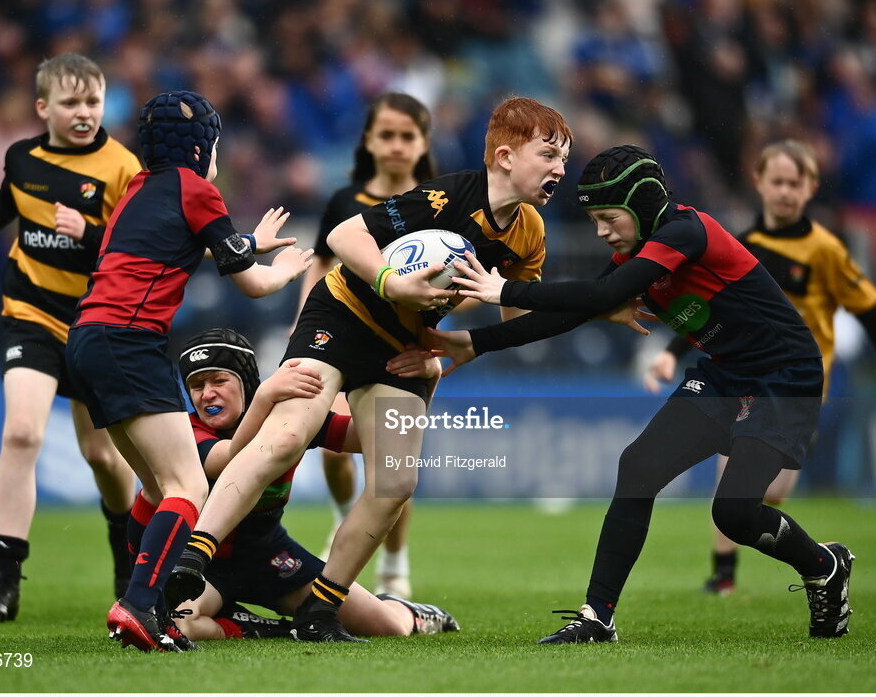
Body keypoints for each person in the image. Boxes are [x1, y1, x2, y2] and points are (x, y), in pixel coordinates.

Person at [167, 97, 575, 643]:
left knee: (397, 482)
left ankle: (319, 610)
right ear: (504, 156)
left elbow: (517, 319)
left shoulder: (530, 233)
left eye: (563, 159)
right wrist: (392, 281)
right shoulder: (444, 195)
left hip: (402, 348)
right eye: (548, 154)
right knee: (288, 436)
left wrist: (464, 342)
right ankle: (193, 558)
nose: (560, 169)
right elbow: (341, 237)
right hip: (341, 315)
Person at [433, 144, 862, 642]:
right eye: (593, 219)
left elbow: (598, 297)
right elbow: (570, 314)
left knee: (735, 513)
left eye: (609, 217)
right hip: (726, 374)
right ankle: (598, 619)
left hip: (784, 376)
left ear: (642, 202)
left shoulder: (685, 230)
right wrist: (475, 343)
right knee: (638, 467)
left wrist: (503, 289)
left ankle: (824, 565)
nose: (601, 231)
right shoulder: (633, 255)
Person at [65, 90, 312, 653]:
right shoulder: (198, 188)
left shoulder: (135, 190)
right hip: (130, 340)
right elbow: (249, 282)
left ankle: (140, 599)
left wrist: (247, 242)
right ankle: (140, 607)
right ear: (204, 146)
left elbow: (165, 248)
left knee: (154, 487)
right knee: (188, 487)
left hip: (85, 342)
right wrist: (284, 269)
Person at [643, 140, 876, 595]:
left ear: (810, 187)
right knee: (729, 475)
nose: (785, 192)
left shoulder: (824, 250)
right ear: (759, 183)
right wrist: (672, 352)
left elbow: (867, 307)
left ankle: (822, 553)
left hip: (795, 385)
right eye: (777, 182)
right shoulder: (738, 245)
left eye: (795, 183)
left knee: (766, 495)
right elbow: (707, 308)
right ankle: (724, 576)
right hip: (742, 374)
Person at [0, 53, 142, 622]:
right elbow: (7, 204)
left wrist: (91, 230)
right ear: (43, 108)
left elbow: (139, 254)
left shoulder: (123, 167)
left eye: (92, 101)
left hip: (97, 322)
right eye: (71, 103)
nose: (83, 113)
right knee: (21, 433)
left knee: (102, 455)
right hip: (32, 312)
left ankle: (126, 564)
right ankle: (3, 580)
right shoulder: (22, 158)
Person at [163, 328, 458, 642]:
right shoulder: (184, 431)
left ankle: (410, 611)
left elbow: (382, 436)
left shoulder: (288, 417)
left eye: (219, 381)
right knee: (183, 625)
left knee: (388, 627)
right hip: (205, 565)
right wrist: (264, 396)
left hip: (271, 555)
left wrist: (426, 380)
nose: (207, 393)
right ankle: (285, 630)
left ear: (245, 380)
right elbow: (231, 458)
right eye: (196, 385)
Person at [295, 92, 439, 598]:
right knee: (333, 450)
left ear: (423, 144)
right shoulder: (344, 202)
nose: (397, 146)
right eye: (387, 135)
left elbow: (463, 280)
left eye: (407, 136)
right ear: (369, 141)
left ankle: (394, 567)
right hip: (339, 339)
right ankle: (342, 521)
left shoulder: (437, 204)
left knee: (391, 466)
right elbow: (320, 264)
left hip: (405, 347)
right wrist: (302, 326)